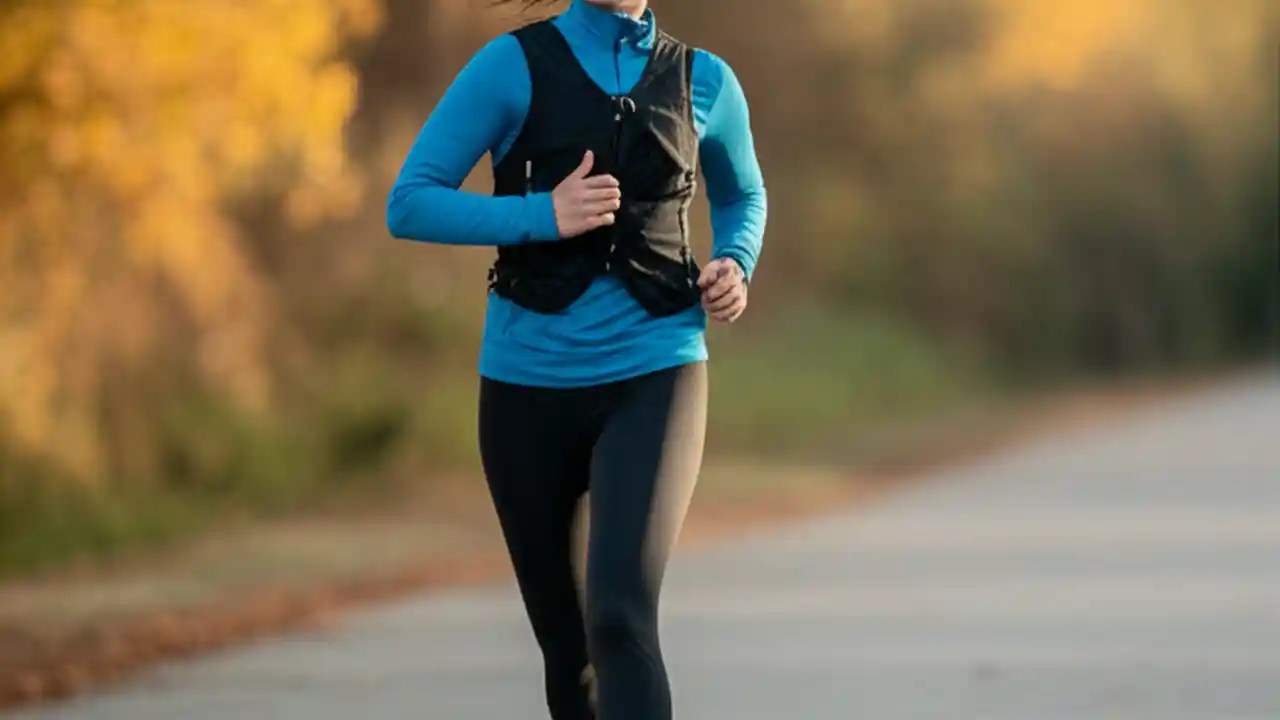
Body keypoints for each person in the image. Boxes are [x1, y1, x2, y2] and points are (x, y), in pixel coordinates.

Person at [386, 0, 766, 717]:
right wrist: (539, 214)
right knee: (569, 651)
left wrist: (734, 262)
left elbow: (743, 192)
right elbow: (410, 203)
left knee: (620, 617)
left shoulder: (705, 80)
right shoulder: (512, 66)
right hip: (526, 388)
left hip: (657, 370)